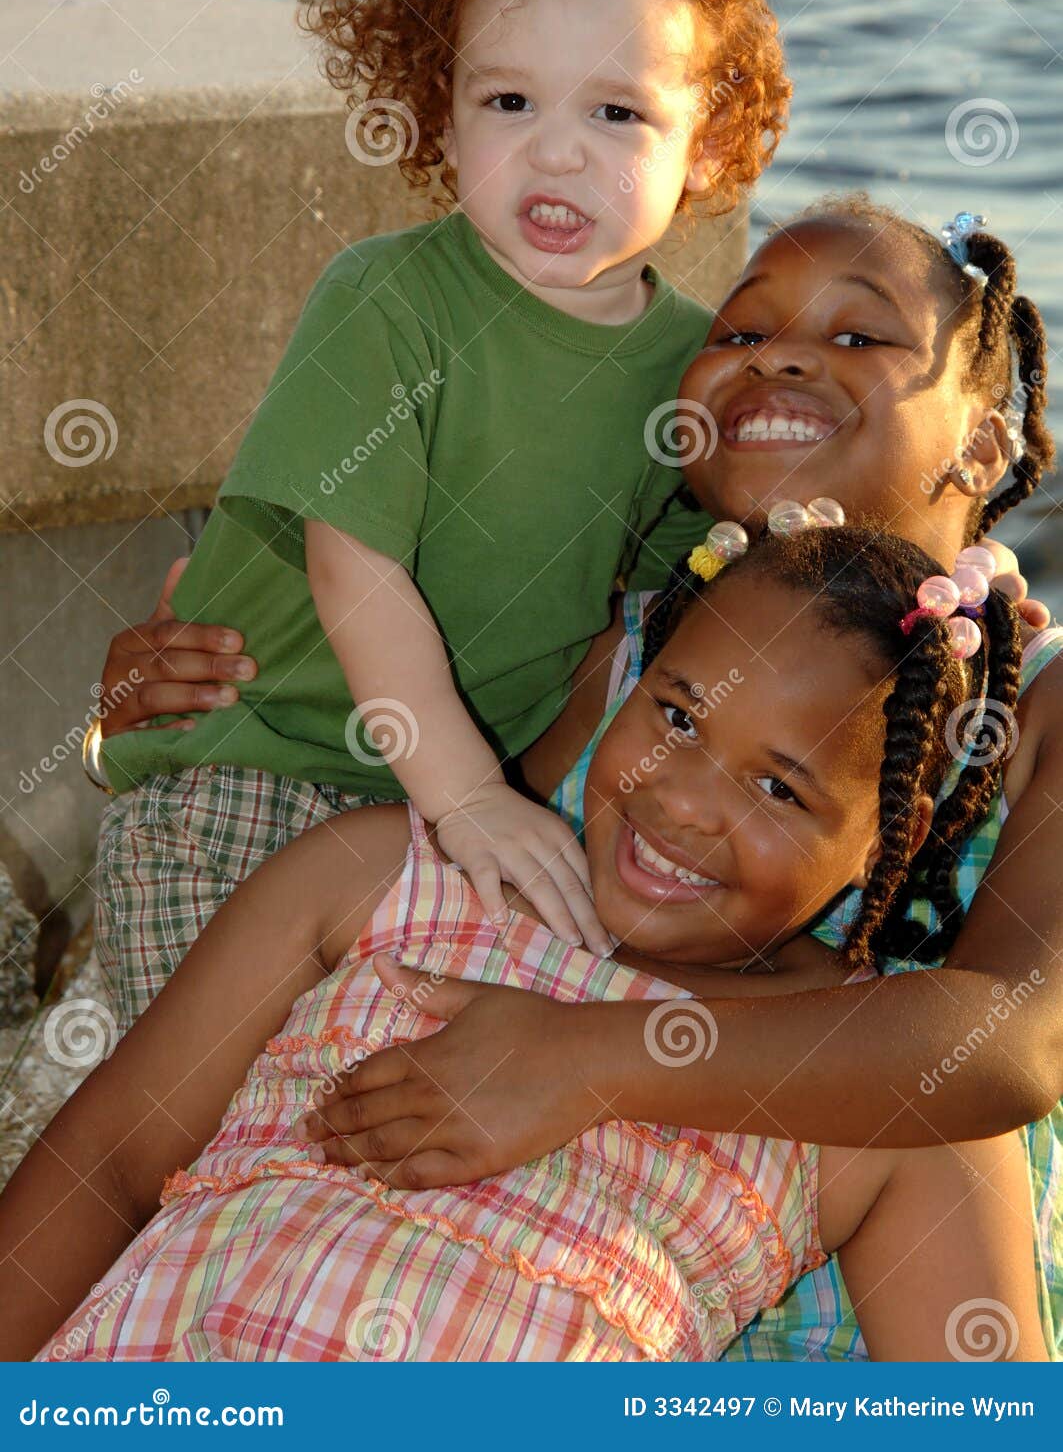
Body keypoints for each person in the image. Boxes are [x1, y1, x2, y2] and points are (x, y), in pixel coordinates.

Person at [96, 197, 1062, 1361]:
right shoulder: (615, 653)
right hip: (493, 1275)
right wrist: (169, 708)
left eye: (860, 338)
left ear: (984, 443)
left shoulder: (1035, 703)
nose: (785, 357)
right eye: (740, 334)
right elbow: (390, 816)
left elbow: (1015, 1043)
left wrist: (593, 1058)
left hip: (856, 1327)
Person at [5, 523, 1048, 1363]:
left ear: (887, 843)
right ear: (626, 687)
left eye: (779, 786)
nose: (680, 802)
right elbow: (108, 1161)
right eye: (677, 716)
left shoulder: (874, 1084)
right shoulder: (385, 879)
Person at [90, 0, 790, 1028]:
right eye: (508, 102)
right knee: (222, 1090)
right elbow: (353, 564)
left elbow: (663, 609)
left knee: (440, 1102)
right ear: (439, 105)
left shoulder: (688, 365)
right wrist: (468, 798)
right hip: (245, 776)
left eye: (615, 114)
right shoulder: (389, 298)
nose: (556, 154)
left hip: (449, 814)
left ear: (711, 137)